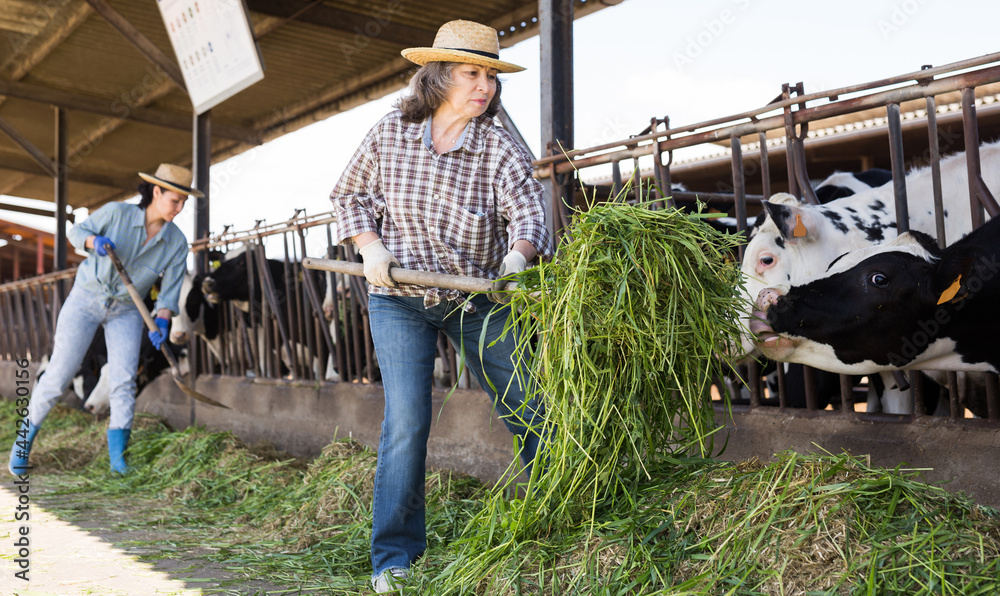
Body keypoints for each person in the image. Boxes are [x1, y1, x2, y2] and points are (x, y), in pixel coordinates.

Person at [329, 19, 551, 593]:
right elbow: (348, 194)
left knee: (528, 404)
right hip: (398, 298)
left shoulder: (497, 145)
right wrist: (371, 246)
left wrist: (516, 260)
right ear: (438, 76)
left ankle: (563, 517)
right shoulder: (391, 132)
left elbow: (529, 213)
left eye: (492, 77)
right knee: (407, 421)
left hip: (477, 298)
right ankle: (394, 558)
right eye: (472, 73)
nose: (485, 86)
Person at [8, 164, 200, 476]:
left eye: (183, 203)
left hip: (126, 309)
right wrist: (92, 243)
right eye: (174, 200)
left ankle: (118, 462)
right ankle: (23, 444)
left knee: (123, 380)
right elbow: (76, 231)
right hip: (86, 299)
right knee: (58, 375)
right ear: (156, 191)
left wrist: (163, 319)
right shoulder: (116, 214)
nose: (178, 209)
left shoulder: (176, 243)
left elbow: (170, 290)